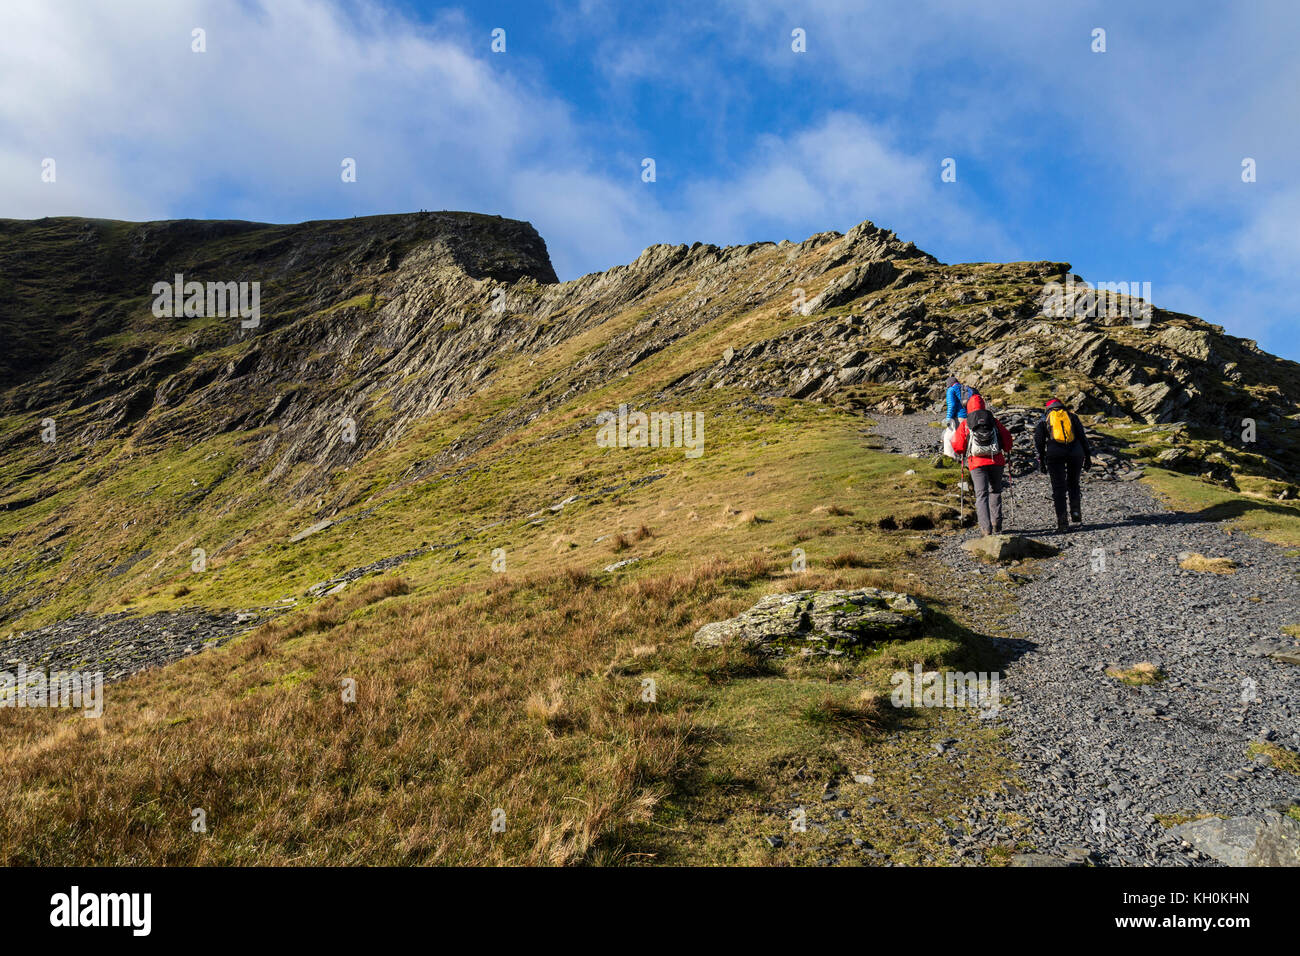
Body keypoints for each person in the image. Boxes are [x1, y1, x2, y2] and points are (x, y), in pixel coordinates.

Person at [952, 394, 1013, 536]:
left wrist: (961, 453)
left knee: (981, 495)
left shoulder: (967, 422)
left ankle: (986, 529)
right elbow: (1007, 438)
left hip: (977, 463)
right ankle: (997, 523)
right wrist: (1007, 449)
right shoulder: (993, 420)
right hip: (996, 461)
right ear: (983, 405)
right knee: (995, 491)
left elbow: (958, 445)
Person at [1034, 397, 1093, 533]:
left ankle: (1062, 522)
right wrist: (1088, 457)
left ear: (1047, 408)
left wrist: (1041, 460)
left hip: (1055, 453)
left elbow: (1039, 441)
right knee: (1073, 483)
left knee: (1058, 488)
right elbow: (1082, 437)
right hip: (1076, 453)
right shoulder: (1072, 417)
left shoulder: (1044, 419)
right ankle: (1076, 513)